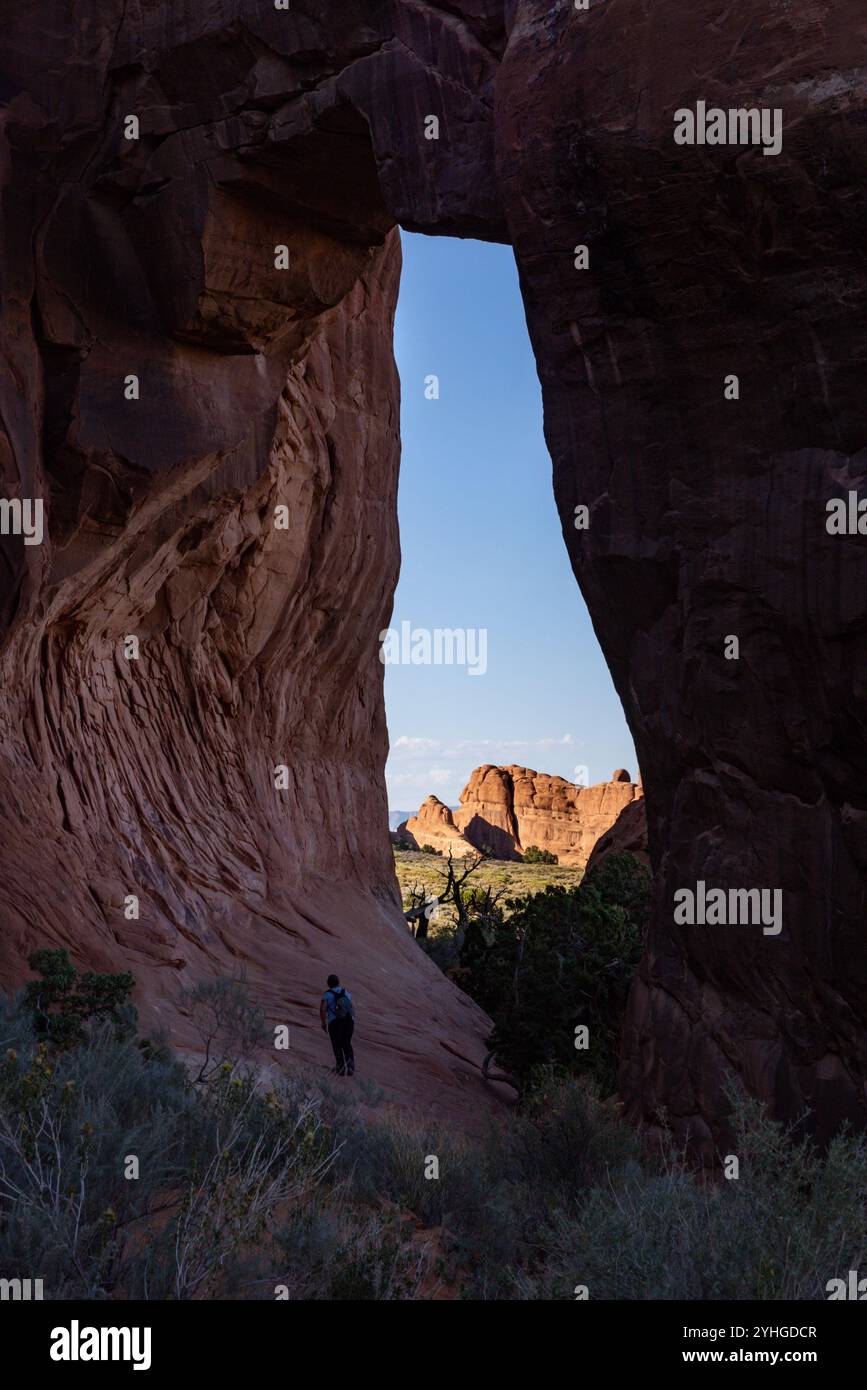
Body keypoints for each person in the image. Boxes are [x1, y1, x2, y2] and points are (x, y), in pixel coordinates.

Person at [320, 973, 355, 1076]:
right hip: (349, 1021)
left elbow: (323, 1010)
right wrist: (352, 1019)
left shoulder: (327, 995)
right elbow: (352, 1006)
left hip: (335, 1022)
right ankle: (350, 1067)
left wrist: (323, 1023)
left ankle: (340, 1068)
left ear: (328, 984)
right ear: (338, 982)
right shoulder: (346, 993)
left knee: (337, 1044)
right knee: (347, 1043)